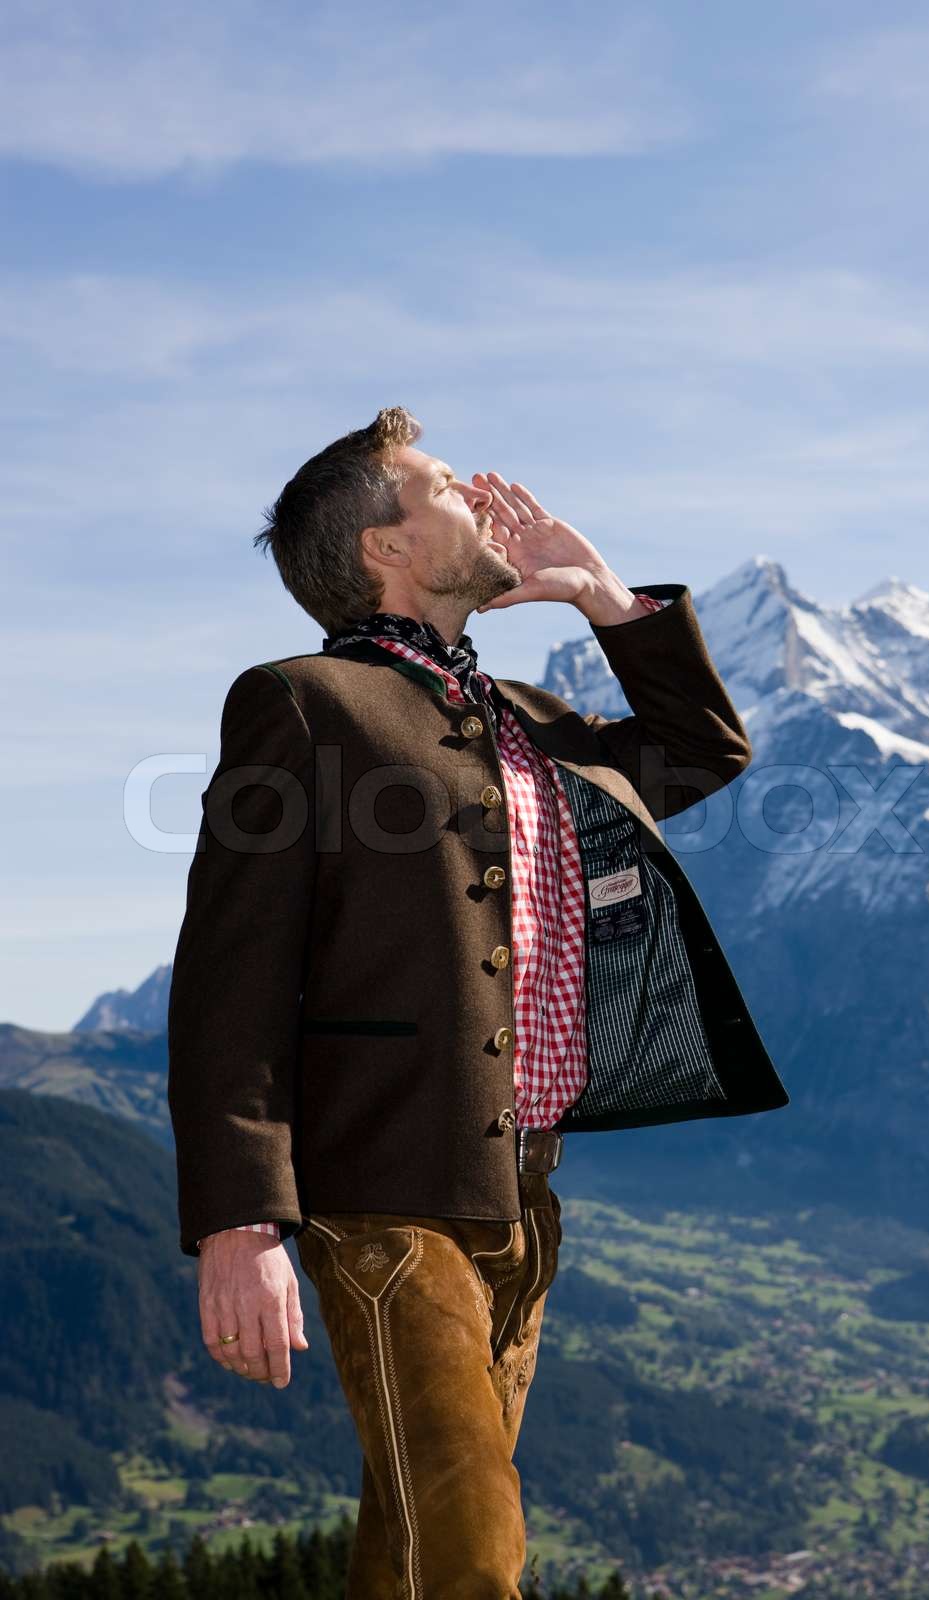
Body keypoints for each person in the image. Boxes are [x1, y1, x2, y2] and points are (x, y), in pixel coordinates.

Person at [166, 405, 789, 1598]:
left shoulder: (530, 720)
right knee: (469, 1560)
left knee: (416, 1543)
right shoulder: (302, 702)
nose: (488, 499)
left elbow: (702, 748)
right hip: (382, 1199)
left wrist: (603, 597)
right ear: (385, 548)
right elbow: (229, 979)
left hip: (523, 1199)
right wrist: (239, 1223)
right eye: (447, 485)